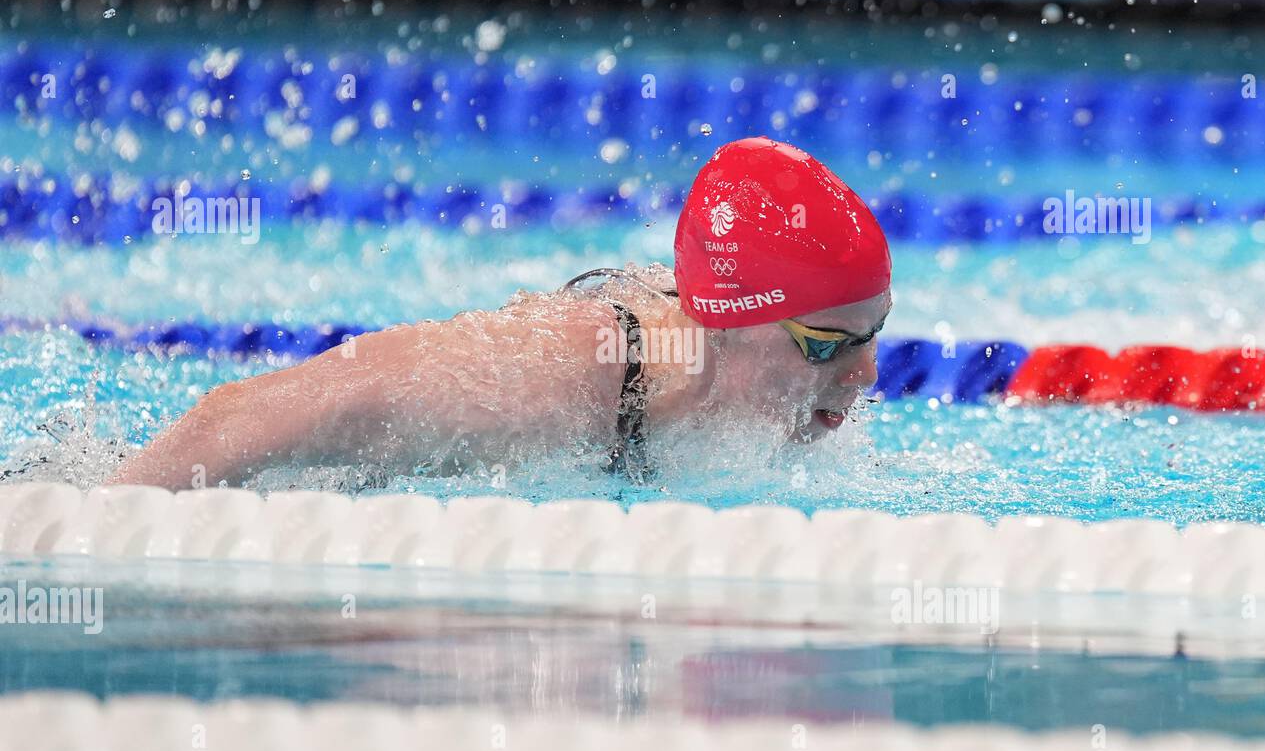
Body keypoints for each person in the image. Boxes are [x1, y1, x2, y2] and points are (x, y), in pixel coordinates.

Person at [107, 137, 892, 490]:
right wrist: (84, 528)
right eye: (826, 346)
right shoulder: (565, 376)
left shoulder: (744, 392)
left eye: (875, 334)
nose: (866, 375)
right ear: (723, 321)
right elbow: (241, 412)